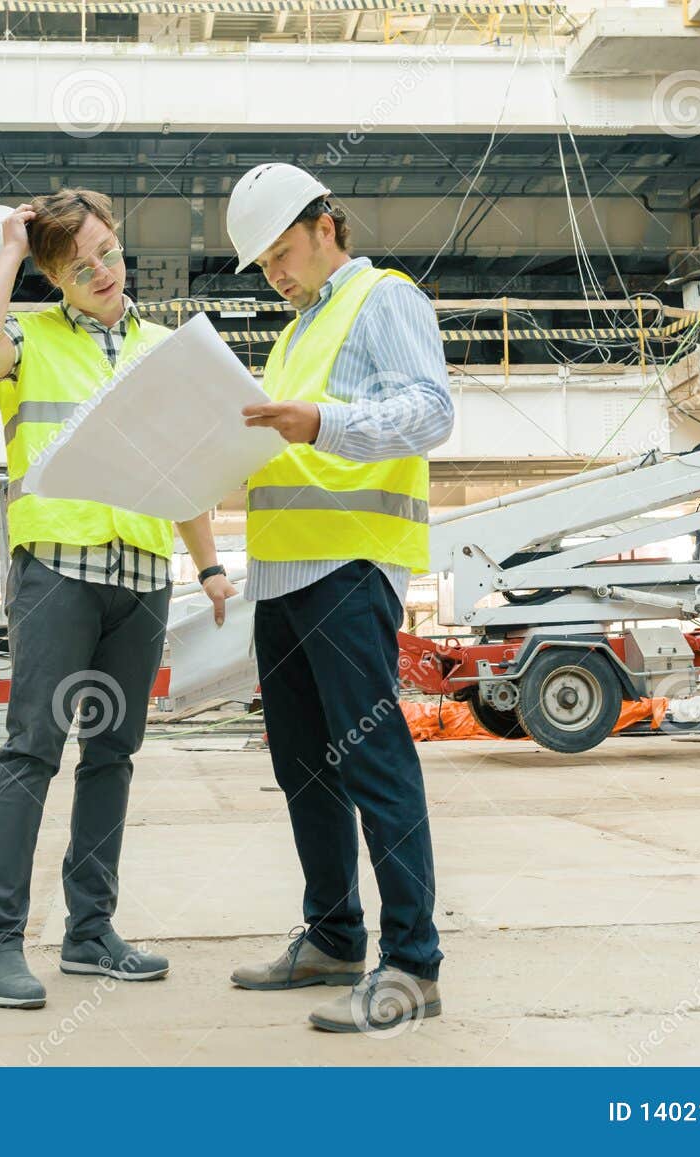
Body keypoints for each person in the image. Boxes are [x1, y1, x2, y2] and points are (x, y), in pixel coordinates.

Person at [0, 189, 238, 1009]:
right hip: (58, 573)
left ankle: (89, 932)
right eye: (81, 268)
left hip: (142, 578)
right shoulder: (25, 339)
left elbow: (185, 471)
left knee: (111, 755)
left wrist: (210, 567)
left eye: (108, 253)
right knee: (32, 751)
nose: (104, 273)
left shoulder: (160, 348)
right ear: (53, 278)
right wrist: (9, 247)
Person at [223, 164, 454, 1033]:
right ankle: (332, 936)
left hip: (350, 568)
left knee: (373, 762)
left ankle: (413, 965)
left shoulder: (383, 299)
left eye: (283, 253)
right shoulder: (295, 334)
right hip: (282, 577)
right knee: (303, 769)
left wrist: (321, 423)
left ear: (327, 225)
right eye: (265, 265)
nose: (276, 275)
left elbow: (430, 411)